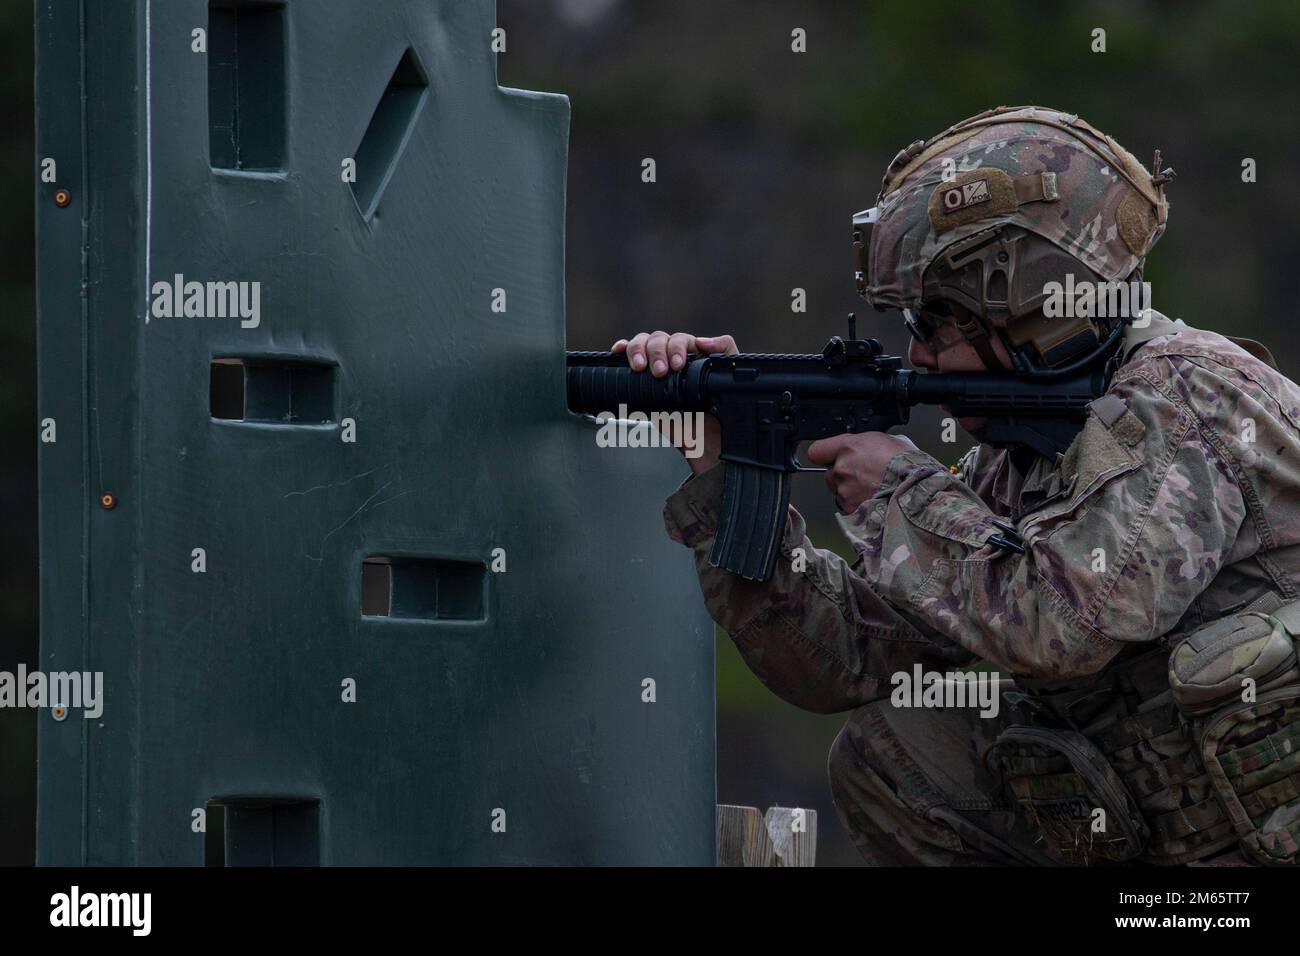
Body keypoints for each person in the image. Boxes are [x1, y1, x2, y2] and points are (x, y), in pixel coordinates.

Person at [613, 106, 1300, 866]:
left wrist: (898, 492)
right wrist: (718, 463)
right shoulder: (1023, 456)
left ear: (1034, 306)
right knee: (894, 753)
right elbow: (843, 658)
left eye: (940, 323)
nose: (917, 354)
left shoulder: (1193, 397)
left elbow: (1066, 627)